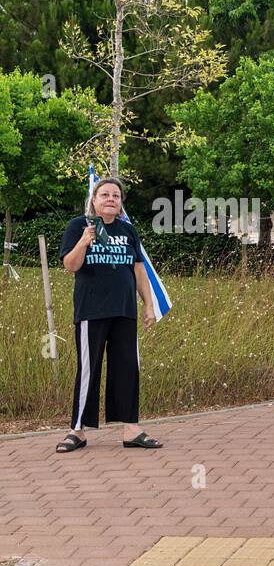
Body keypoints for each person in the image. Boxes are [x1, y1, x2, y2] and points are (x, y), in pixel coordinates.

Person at [55, 177, 162, 453]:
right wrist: (83, 242)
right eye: (105, 194)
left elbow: (139, 270)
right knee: (89, 370)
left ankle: (131, 429)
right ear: (94, 199)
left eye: (116, 195)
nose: (111, 199)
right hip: (92, 310)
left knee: (128, 368)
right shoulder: (79, 226)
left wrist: (148, 305)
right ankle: (77, 431)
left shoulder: (128, 231)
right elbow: (70, 265)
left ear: (121, 202)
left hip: (125, 310)